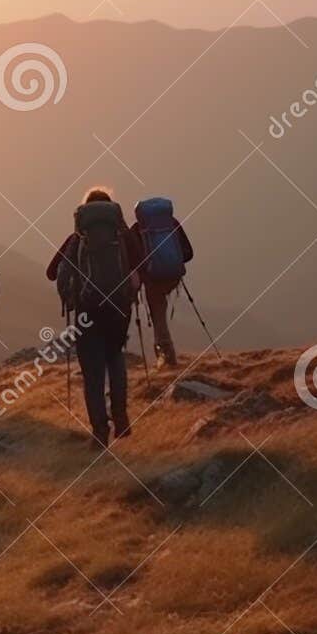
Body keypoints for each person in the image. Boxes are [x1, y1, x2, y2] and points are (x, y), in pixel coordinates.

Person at [48, 188, 143, 447]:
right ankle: (121, 418)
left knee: (92, 373)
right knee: (115, 357)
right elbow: (142, 262)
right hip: (119, 309)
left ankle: (100, 431)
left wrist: (71, 292)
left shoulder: (77, 237)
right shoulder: (123, 236)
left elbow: (52, 272)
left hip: (87, 311)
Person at [130, 198, 195, 368]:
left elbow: (132, 259)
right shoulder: (172, 223)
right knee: (160, 314)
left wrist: (144, 273)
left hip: (153, 280)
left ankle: (167, 358)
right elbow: (188, 253)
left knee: (158, 317)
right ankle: (165, 356)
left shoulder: (137, 229)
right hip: (173, 276)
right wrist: (173, 261)